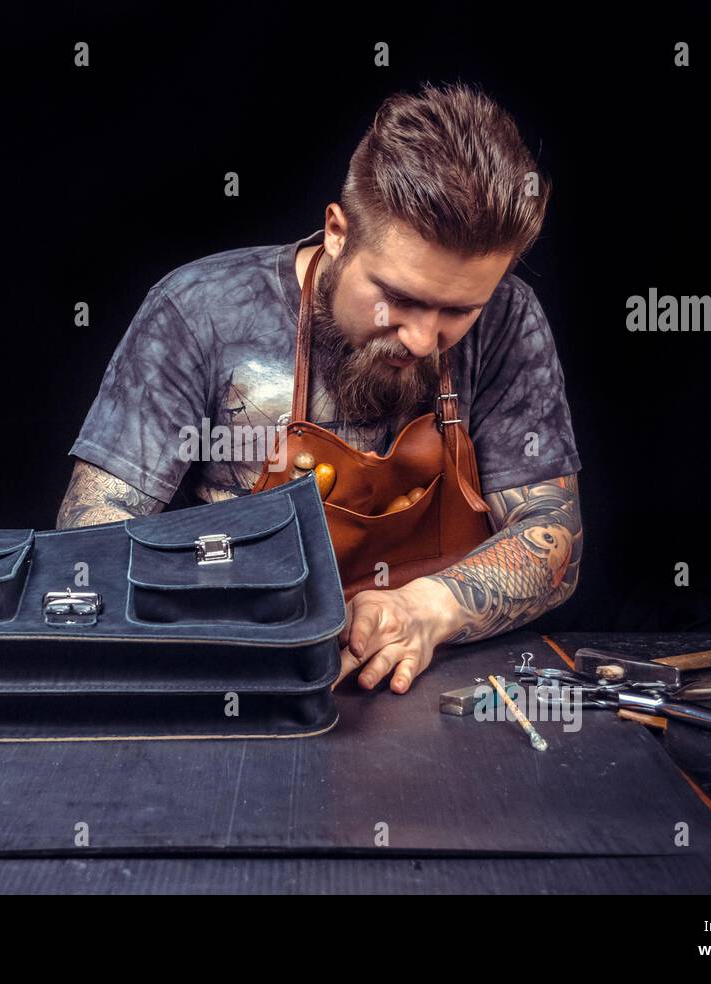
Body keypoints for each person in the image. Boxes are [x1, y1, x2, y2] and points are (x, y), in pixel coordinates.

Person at [58, 82, 582, 695]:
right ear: (337, 231)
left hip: (436, 687)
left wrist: (426, 610)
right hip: (247, 681)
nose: (419, 338)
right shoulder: (199, 311)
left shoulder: (509, 319)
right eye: (399, 299)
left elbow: (553, 535)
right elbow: (89, 537)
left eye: (457, 311)